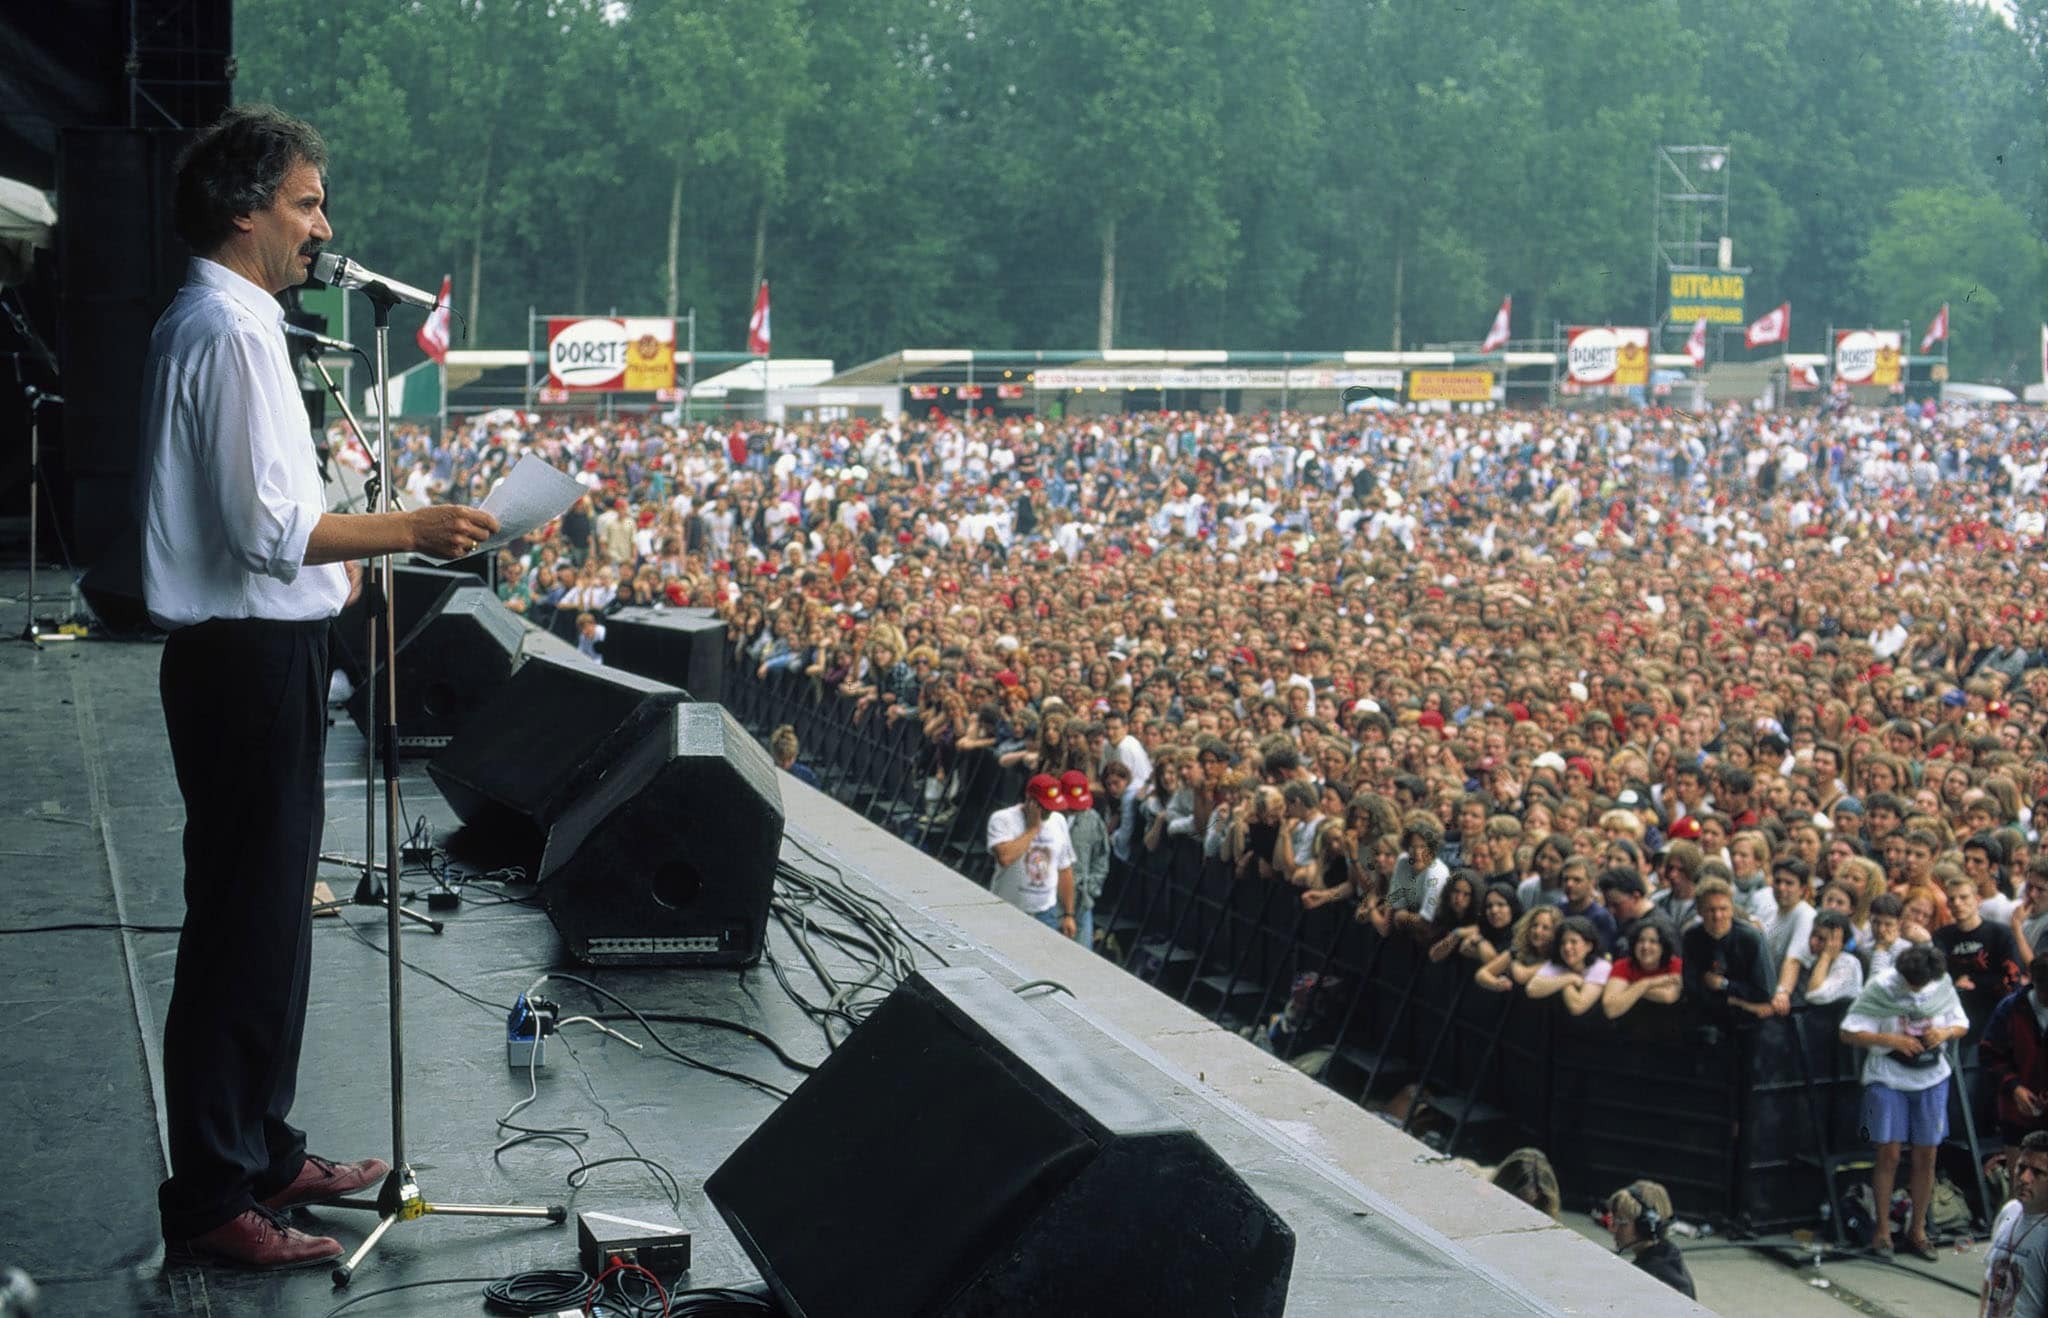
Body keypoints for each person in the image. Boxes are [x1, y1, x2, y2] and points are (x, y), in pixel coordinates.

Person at [141, 105, 497, 1269]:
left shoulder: (235, 321)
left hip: (261, 655)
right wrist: (414, 527)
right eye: (305, 202)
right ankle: (210, 1195)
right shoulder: (232, 332)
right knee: (243, 927)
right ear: (245, 209)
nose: (323, 226)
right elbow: (267, 531)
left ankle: (261, 1146)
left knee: (268, 919)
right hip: (243, 660)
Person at [1839, 944, 1971, 1260]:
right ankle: (1882, 1231)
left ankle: (1918, 1231)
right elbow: (1848, 1032)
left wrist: (1944, 1032)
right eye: (1911, 983)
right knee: (1890, 1153)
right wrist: (1890, 1039)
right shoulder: (1881, 986)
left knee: (1927, 1155)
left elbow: (1962, 1023)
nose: (1916, 989)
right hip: (1887, 1076)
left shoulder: (1942, 984)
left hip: (1931, 1076)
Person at [1981, 955, 2048, 1189]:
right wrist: (2014, 1087)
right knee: (2021, 1190)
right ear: (2034, 983)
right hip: (2017, 1109)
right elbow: (1989, 1055)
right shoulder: (2010, 1008)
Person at [986, 773, 1078, 939]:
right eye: (1044, 807)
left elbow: (1065, 869)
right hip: (1007, 909)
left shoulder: (1058, 821)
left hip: (1045, 913)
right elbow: (1005, 857)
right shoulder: (1002, 819)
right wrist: (1032, 829)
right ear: (1030, 800)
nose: (1049, 811)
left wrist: (1069, 914)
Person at [1681, 878, 1775, 1019]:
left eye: (1723, 909)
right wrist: (1738, 1001)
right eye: (1711, 910)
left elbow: (1765, 992)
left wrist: (1725, 985)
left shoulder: (1751, 938)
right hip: (1706, 1018)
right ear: (1700, 911)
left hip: (1746, 1021)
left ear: (1732, 909)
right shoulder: (1692, 937)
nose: (1718, 916)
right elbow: (1693, 990)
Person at [1984, 1131, 2048, 1317]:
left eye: (2037, 1172)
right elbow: (1989, 1279)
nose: (2024, 1178)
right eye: (2021, 1168)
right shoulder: (2009, 1211)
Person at [1601, 1180, 1695, 1299]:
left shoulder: (1648, 1279)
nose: (1613, 1229)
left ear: (1644, 1226)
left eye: (1621, 1222)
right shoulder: (1672, 1258)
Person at [1060, 768, 1107, 949]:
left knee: (1081, 952)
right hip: (1052, 897)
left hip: (1083, 898)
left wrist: (1092, 887)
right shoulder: (1051, 818)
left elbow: (1101, 857)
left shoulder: (1093, 820)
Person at [768, 723, 821, 789]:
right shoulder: (807, 776)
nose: (785, 764)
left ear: (795, 755)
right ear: (774, 755)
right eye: (782, 760)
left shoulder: (809, 777)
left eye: (789, 759)